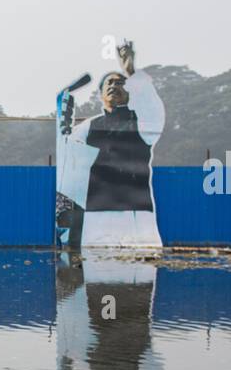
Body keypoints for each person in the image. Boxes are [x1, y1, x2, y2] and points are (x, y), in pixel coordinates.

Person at [58, 41, 165, 248]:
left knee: (138, 274)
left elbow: (152, 107)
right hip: (96, 217)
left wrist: (131, 71)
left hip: (135, 217)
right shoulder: (88, 127)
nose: (115, 86)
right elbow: (69, 162)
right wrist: (64, 127)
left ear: (130, 92)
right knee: (98, 276)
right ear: (101, 94)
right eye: (110, 83)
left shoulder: (142, 122)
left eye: (121, 83)